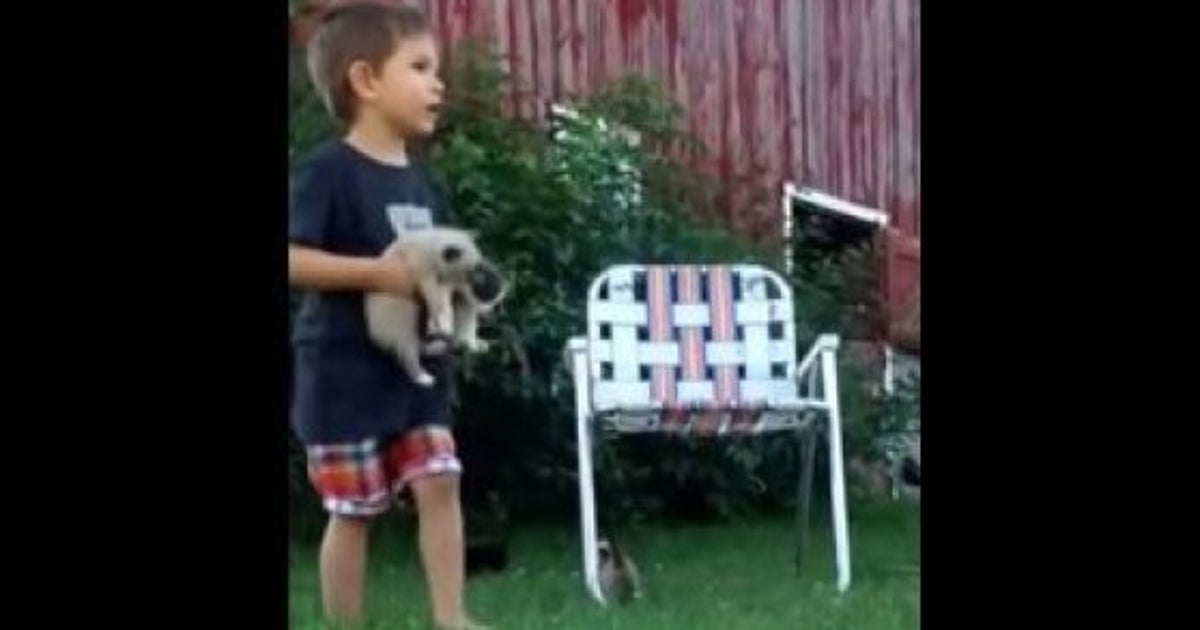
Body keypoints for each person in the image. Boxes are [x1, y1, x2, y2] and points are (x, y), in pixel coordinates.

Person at [288, 3, 487, 628]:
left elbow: (439, 269)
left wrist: (460, 305)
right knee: (354, 510)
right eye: (421, 67)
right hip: (343, 374)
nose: (438, 83)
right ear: (365, 80)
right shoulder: (329, 172)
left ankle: (450, 618)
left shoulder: (421, 187)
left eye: (438, 69)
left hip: (416, 374)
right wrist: (376, 275)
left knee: (440, 478)